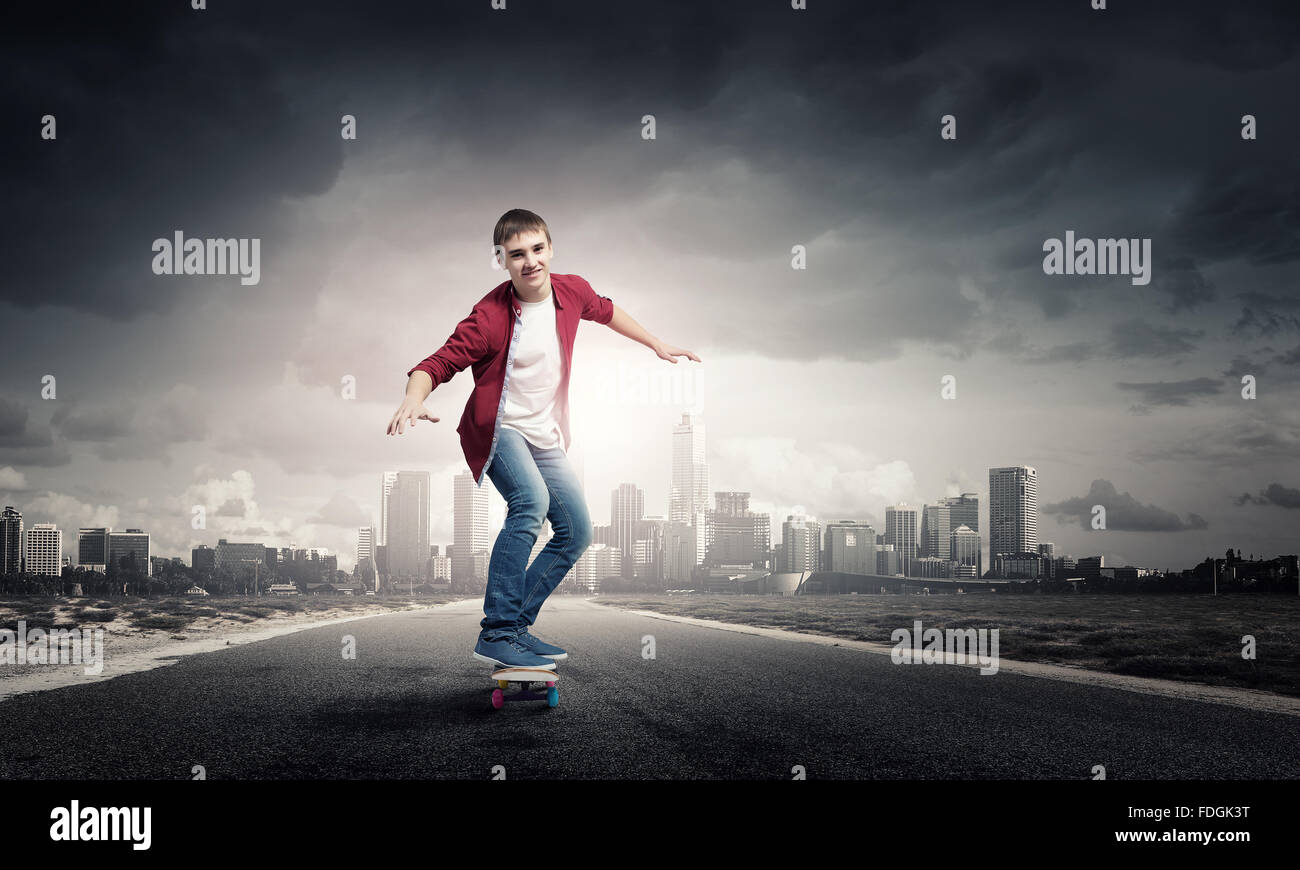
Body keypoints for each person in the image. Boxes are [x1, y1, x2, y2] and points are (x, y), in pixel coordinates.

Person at [386, 208, 701, 669]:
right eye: (516, 255)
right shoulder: (489, 316)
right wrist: (413, 397)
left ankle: (515, 628)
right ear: (502, 260)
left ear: (550, 248)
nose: (529, 262)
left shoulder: (572, 290)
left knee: (576, 532)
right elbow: (435, 363)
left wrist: (654, 342)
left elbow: (608, 311)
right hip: (500, 431)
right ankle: (496, 632)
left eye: (537, 250)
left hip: (546, 436)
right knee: (530, 503)